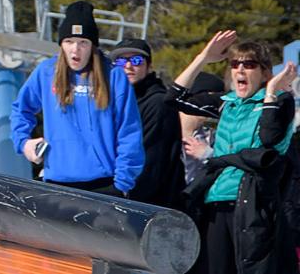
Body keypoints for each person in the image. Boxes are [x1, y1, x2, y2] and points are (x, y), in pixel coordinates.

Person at [171, 30, 297, 274]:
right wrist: (203, 58)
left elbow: (268, 140)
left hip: (253, 206)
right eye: (234, 64)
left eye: (249, 64)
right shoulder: (227, 103)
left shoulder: (280, 102)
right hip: (217, 201)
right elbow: (174, 97)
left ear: (264, 73)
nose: (240, 69)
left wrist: (270, 92)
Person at [11, 1, 144, 197]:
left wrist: (122, 182)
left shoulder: (114, 76)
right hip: (57, 182)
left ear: (92, 46)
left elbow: (129, 131)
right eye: (69, 41)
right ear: (61, 44)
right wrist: (23, 142)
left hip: (104, 185)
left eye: (83, 42)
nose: (76, 49)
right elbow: (20, 110)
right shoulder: (46, 72)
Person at [111, 37, 184, 207]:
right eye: (121, 61)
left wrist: (119, 196)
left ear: (149, 66)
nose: (128, 66)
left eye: (136, 60)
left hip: (147, 203)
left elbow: (150, 162)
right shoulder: (113, 101)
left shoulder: (158, 103)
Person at [177, 71, 224, 186]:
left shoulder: (214, 134)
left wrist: (207, 154)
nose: (213, 107)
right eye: (209, 99)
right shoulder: (166, 129)